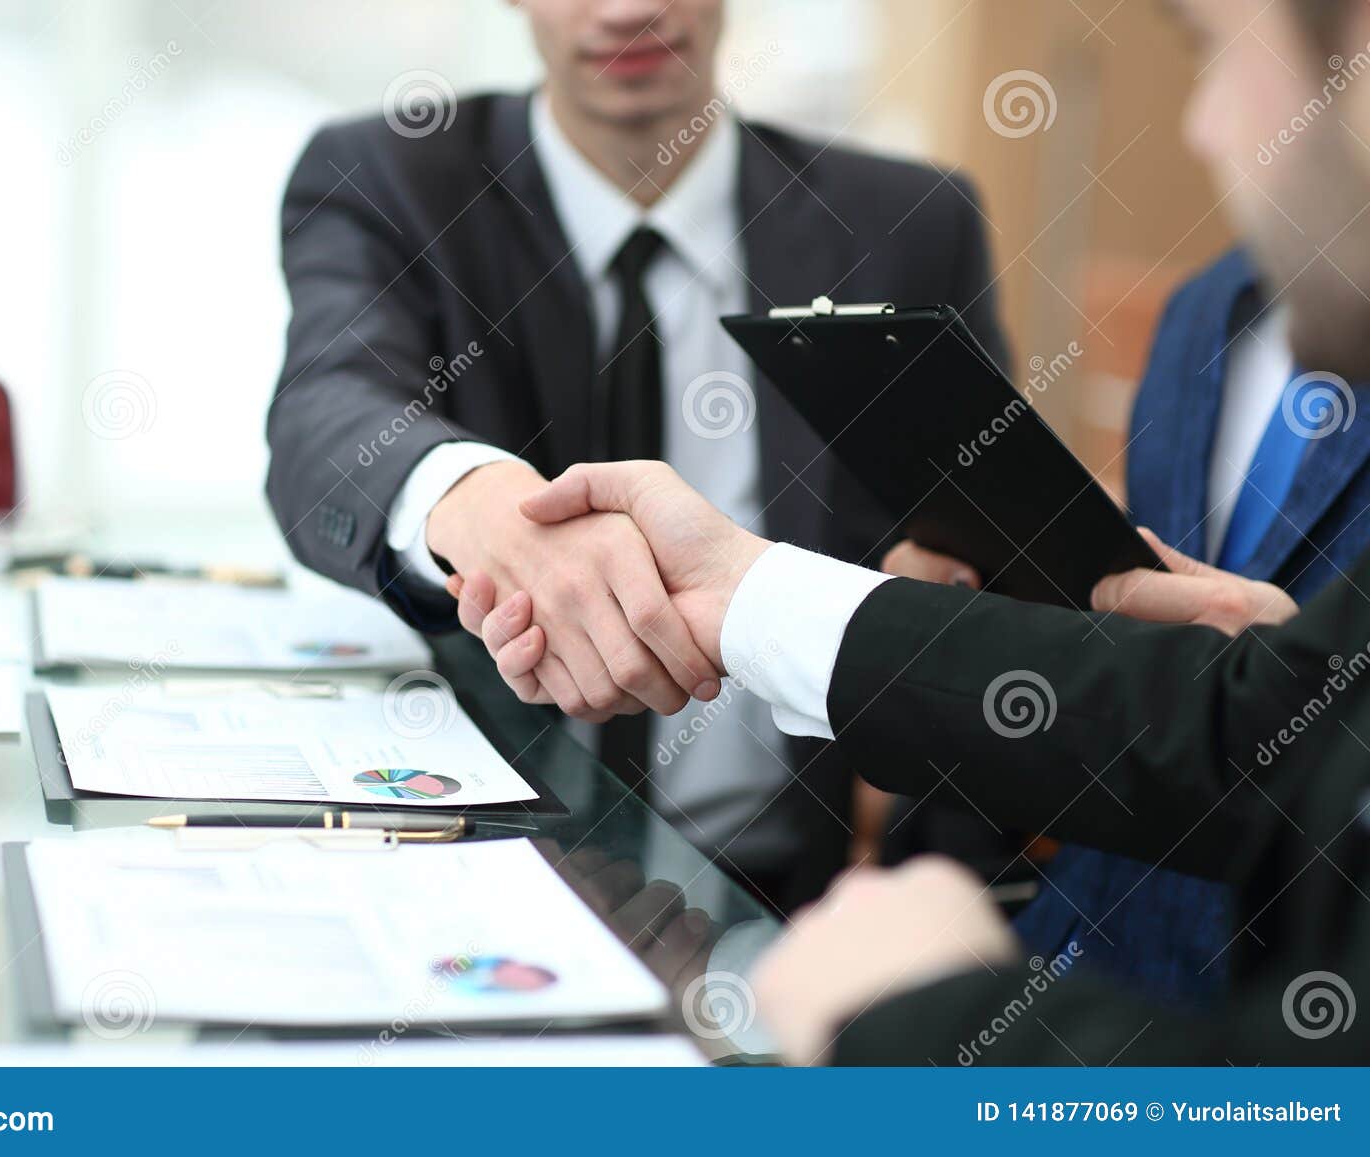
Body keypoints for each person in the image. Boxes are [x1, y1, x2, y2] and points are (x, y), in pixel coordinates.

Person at [451, 0, 1370, 1063]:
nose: (1203, 126)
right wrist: (746, 589)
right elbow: (1239, 719)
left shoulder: (910, 215)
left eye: (1211, 52)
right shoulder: (1211, 314)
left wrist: (930, 1006)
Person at [264, 0, 1008, 905]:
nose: (627, 10)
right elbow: (325, 414)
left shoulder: (909, 223)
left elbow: (989, 563)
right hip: (458, 867)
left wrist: (953, 907)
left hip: (783, 894)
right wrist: (477, 499)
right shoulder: (389, 176)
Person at [885, 245, 1370, 1010]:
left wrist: (1295, 692)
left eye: (1218, 112)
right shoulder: (1205, 303)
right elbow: (1149, 606)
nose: (1202, 130)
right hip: (1086, 950)